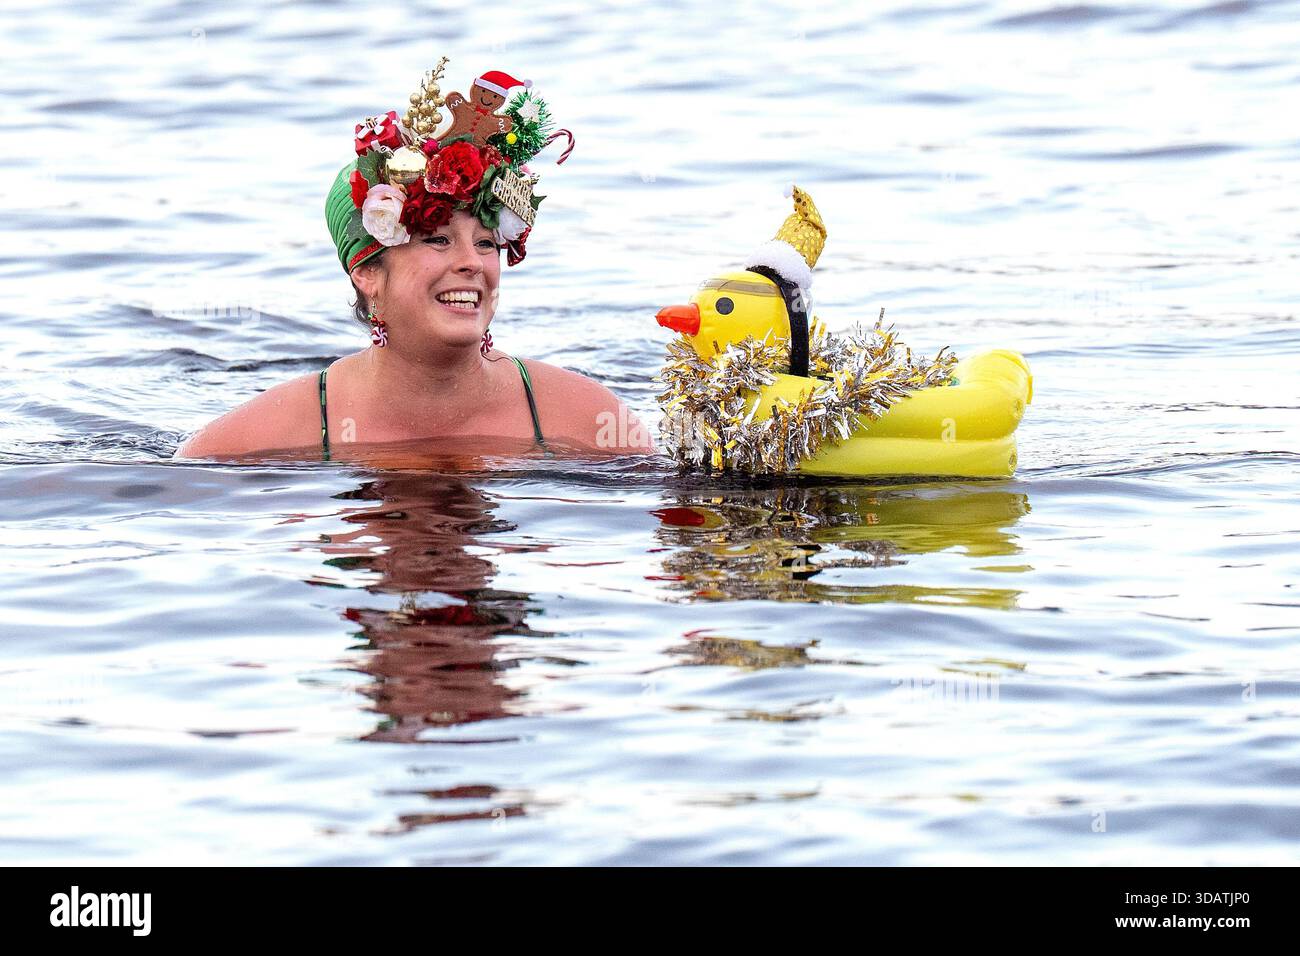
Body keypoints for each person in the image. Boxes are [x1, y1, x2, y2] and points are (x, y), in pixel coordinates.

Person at [176, 64, 653, 461]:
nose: (472, 263)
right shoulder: (269, 435)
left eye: (486, 244)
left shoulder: (587, 419)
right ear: (366, 273)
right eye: (439, 239)